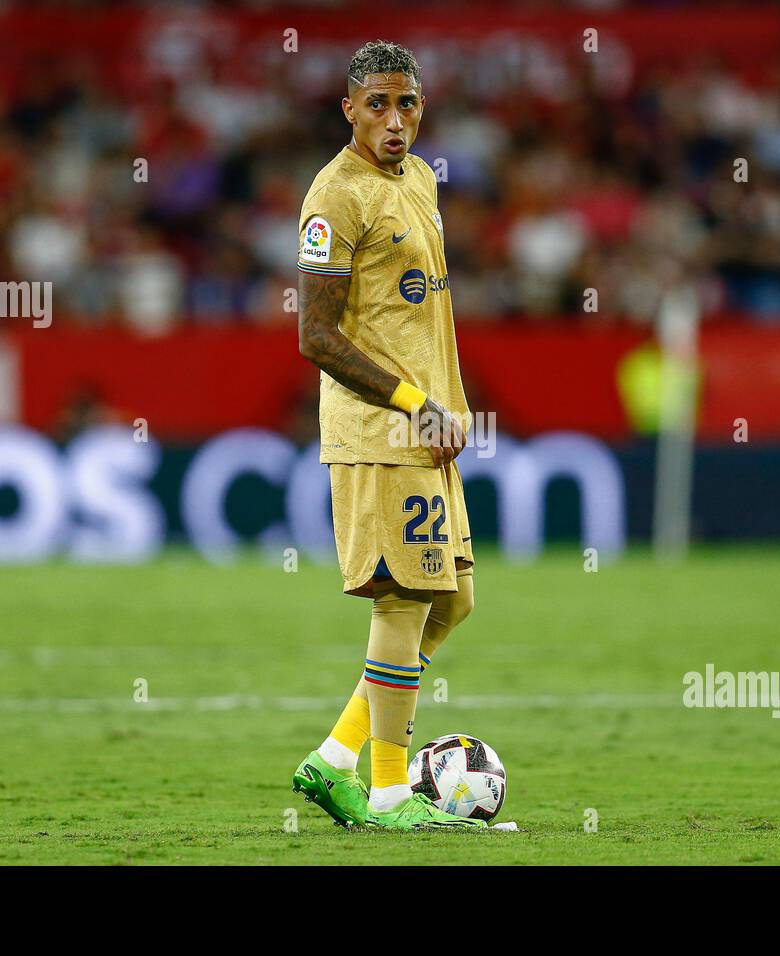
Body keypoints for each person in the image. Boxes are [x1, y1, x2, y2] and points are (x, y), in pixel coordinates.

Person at [291, 40, 482, 830]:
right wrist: (414, 401)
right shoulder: (335, 197)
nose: (395, 119)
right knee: (403, 599)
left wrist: (447, 405)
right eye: (378, 104)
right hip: (381, 431)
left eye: (408, 103)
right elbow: (316, 336)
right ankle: (392, 794)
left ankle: (333, 761)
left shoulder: (423, 181)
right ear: (349, 109)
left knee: (454, 600)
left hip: (428, 433)